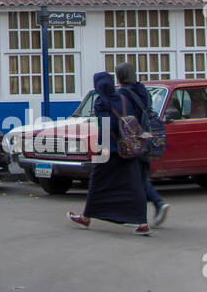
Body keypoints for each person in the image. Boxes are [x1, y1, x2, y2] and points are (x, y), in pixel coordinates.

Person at [69, 71, 151, 235]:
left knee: (97, 182)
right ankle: (142, 223)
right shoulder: (123, 97)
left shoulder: (101, 101)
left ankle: (86, 217)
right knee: (133, 184)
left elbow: (106, 126)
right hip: (128, 147)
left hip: (109, 149)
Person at [116, 62, 169, 227]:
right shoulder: (143, 91)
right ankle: (147, 209)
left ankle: (156, 204)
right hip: (146, 136)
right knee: (141, 176)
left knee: (136, 179)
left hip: (133, 140)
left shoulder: (124, 94)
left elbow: (126, 119)